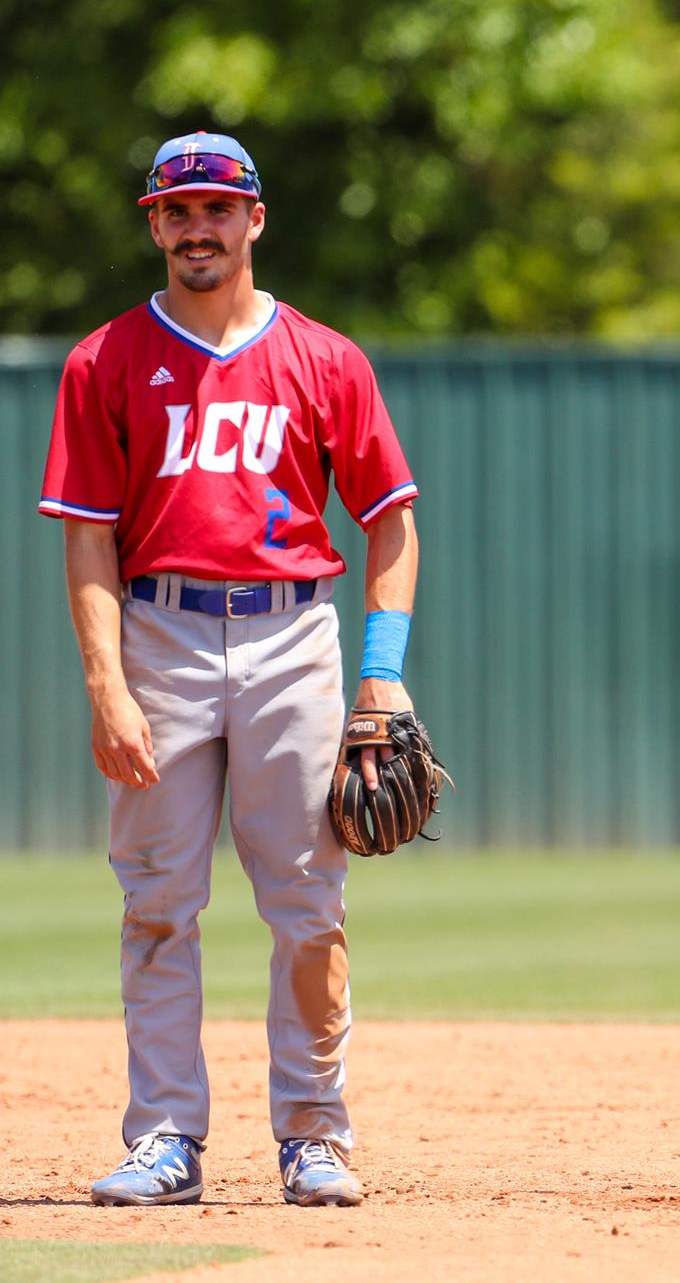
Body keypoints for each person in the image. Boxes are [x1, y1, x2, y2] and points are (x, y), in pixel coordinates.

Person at [39, 131, 424, 1208]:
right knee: (157, 900)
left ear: (255, 219)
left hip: (291, 633)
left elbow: (391, 519)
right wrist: (107, 684)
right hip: (158, 633)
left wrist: (381, 676)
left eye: (217, 206)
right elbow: (87, 539)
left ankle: (314, 1134)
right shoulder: (104, 360)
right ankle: (164, 1137)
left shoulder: (324, 357)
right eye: (176, 210)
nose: (196, 226)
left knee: (309, 902)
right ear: (154, 225)